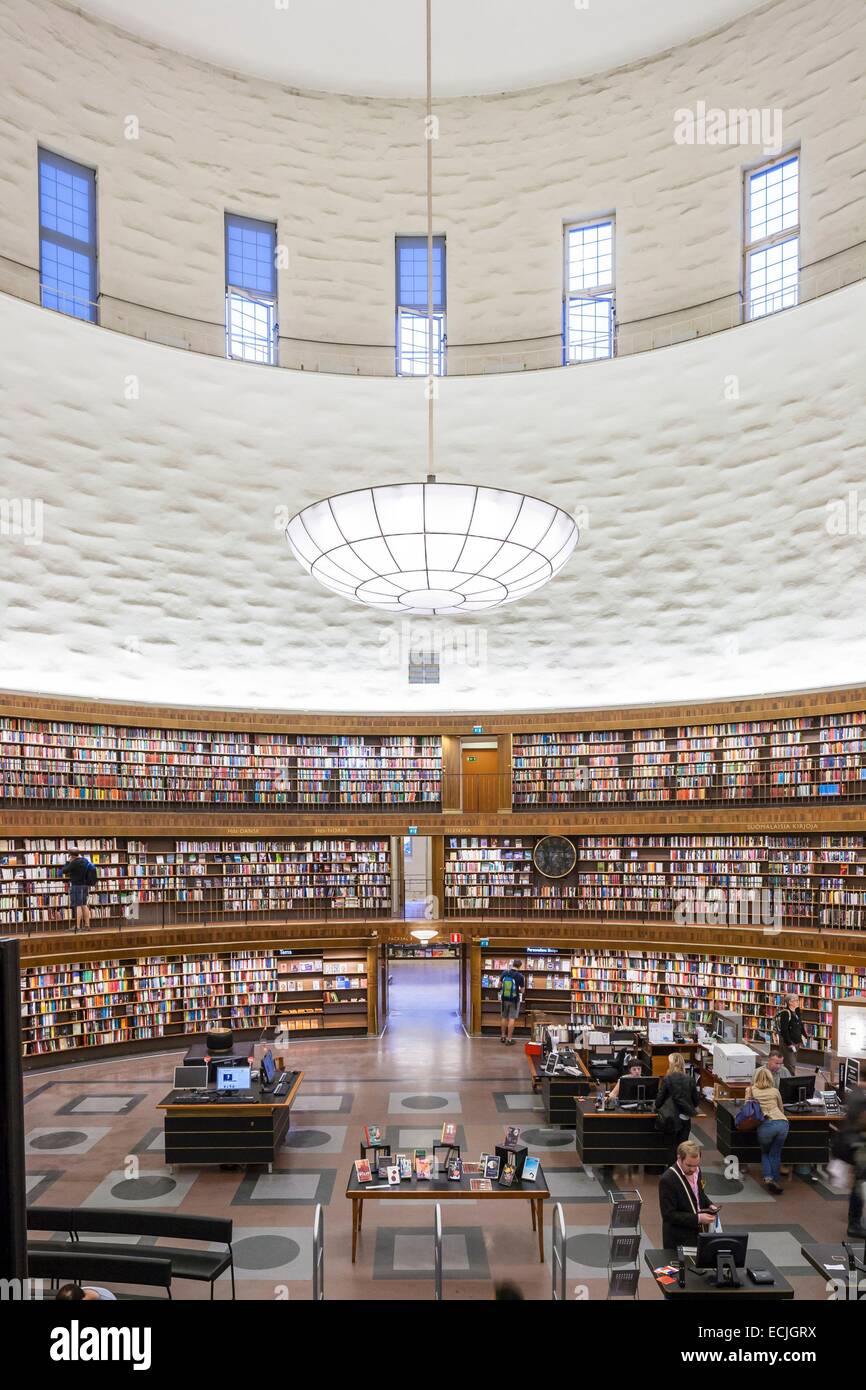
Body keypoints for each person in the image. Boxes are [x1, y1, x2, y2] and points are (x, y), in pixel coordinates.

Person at [658, 1139, 719, 1250]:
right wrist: (698, 1219)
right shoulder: (668, 1179)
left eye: (696, 1165)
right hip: (678, 1240)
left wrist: (710, 1205)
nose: (693, 1169)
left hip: (696, 1236)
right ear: (679, 1158)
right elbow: (668, 1214)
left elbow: (699, 1194)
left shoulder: (697, 1170)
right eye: (689, 1165)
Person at [831, 1079, 866, 1237]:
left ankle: (855, 1221)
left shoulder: (855, 1093)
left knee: (859, 1185)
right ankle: (854, 1224)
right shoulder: (861, 1099)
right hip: (859, 1146)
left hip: (853, 1144)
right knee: (859, 1186)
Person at [747, 1064, 789, 1194]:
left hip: (766, 1125)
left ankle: (768, 1178)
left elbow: (747, 1110)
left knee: (765, 1152)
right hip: (782, 1124)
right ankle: (775, 1180)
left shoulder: (751, 1090)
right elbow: (781, 1109)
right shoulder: (775, 1091)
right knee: (775, 1153)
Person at [654, 1052, 700, 1165]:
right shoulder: (690, 1079)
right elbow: (696, 1101)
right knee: (683, 1147)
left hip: (671, 1119)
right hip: (685, 1118)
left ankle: (672, 1170)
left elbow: (659, 1102)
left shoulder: (668, 1079)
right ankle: (682, 1169)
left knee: (671, 1147)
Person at [61, 846, 97, 931]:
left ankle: (77, 927)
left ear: (71, 855)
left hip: (77, 886)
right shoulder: (85, 860)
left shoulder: (74, 862)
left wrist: (67, 862)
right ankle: (87, 925)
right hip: (85, 886)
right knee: (84, 905)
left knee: (77, 905)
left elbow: (64, 871)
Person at [776, 994, 808, 1075]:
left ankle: (789, 1080)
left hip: (796, 1042)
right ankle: (791, 1083)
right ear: (790, 1002)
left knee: (792, 1063)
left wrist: (804, 1036)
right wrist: (789, 1043)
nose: (798, 1002)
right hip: (789, 1043)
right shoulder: (785, 1013)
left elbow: (800, 1024)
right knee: (790, 1065)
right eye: (796, 1000)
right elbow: (784, 1030)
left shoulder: (797, 1011)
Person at [498, 958, 524, 1046]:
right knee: (511, 1018)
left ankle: (502, 1036)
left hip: (504, 998)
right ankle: (509, 1039)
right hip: (514, 1000)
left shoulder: (505, 972)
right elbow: (523, 991)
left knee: (504, 1017)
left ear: (512, 964)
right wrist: (518, 990)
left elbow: (499, 985)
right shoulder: (520, 976)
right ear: (520, 966)